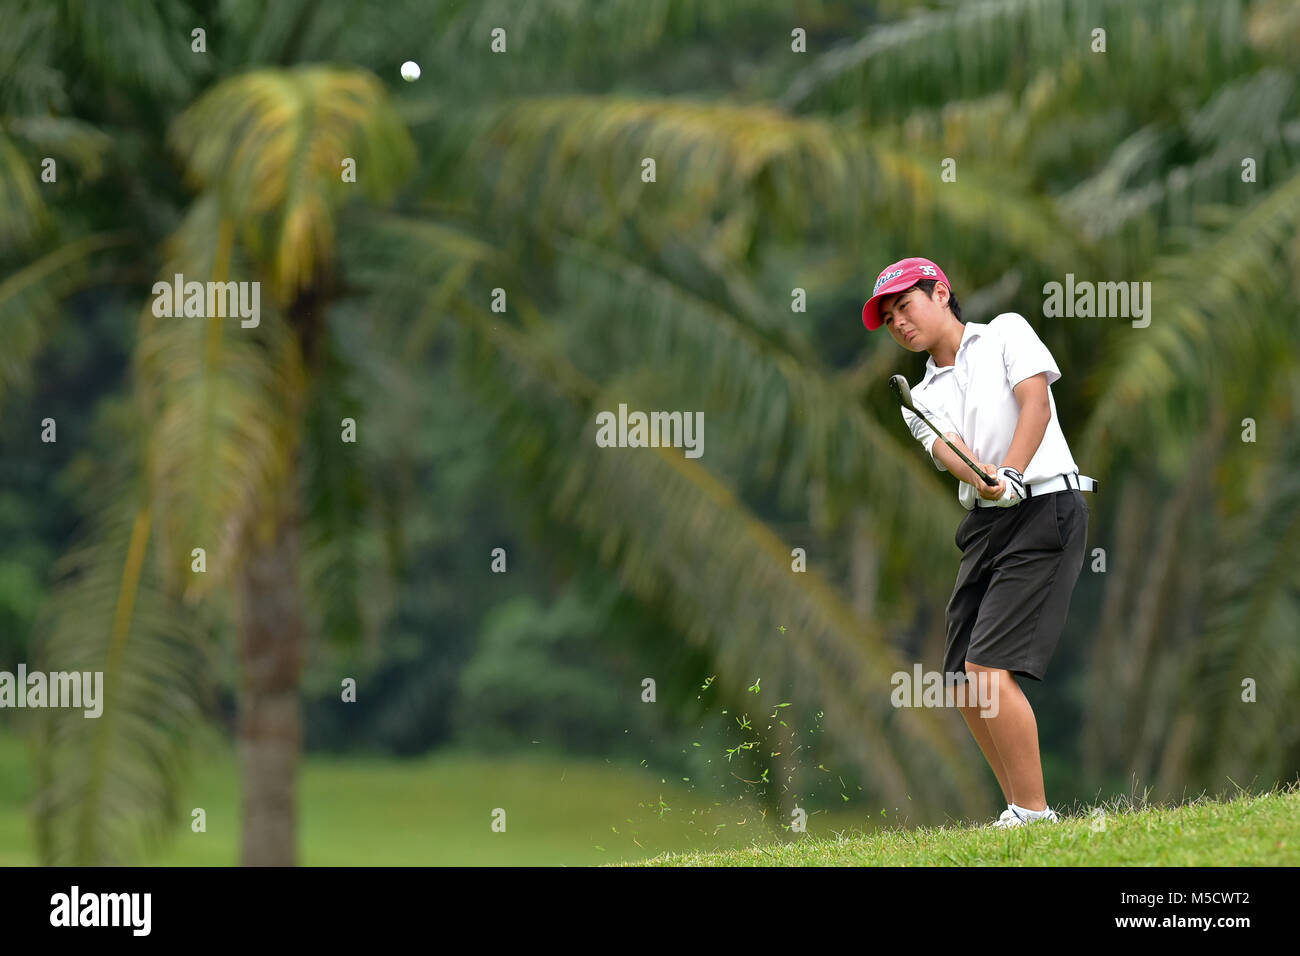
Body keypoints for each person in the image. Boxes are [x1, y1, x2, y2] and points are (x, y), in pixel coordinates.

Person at [861, 257, 1098, 827]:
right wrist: (983, 476)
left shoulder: (1008, 333)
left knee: (990, 667)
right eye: (889, 318)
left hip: (1045, 506)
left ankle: (1034, 815)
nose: (899, 323)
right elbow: (950, 452)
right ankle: (1019, 809)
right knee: (964, 682)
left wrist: (1011, 471)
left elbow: (1035, 403)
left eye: (905, 306)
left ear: (940, 292)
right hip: (989, 523)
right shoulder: (917, 399)